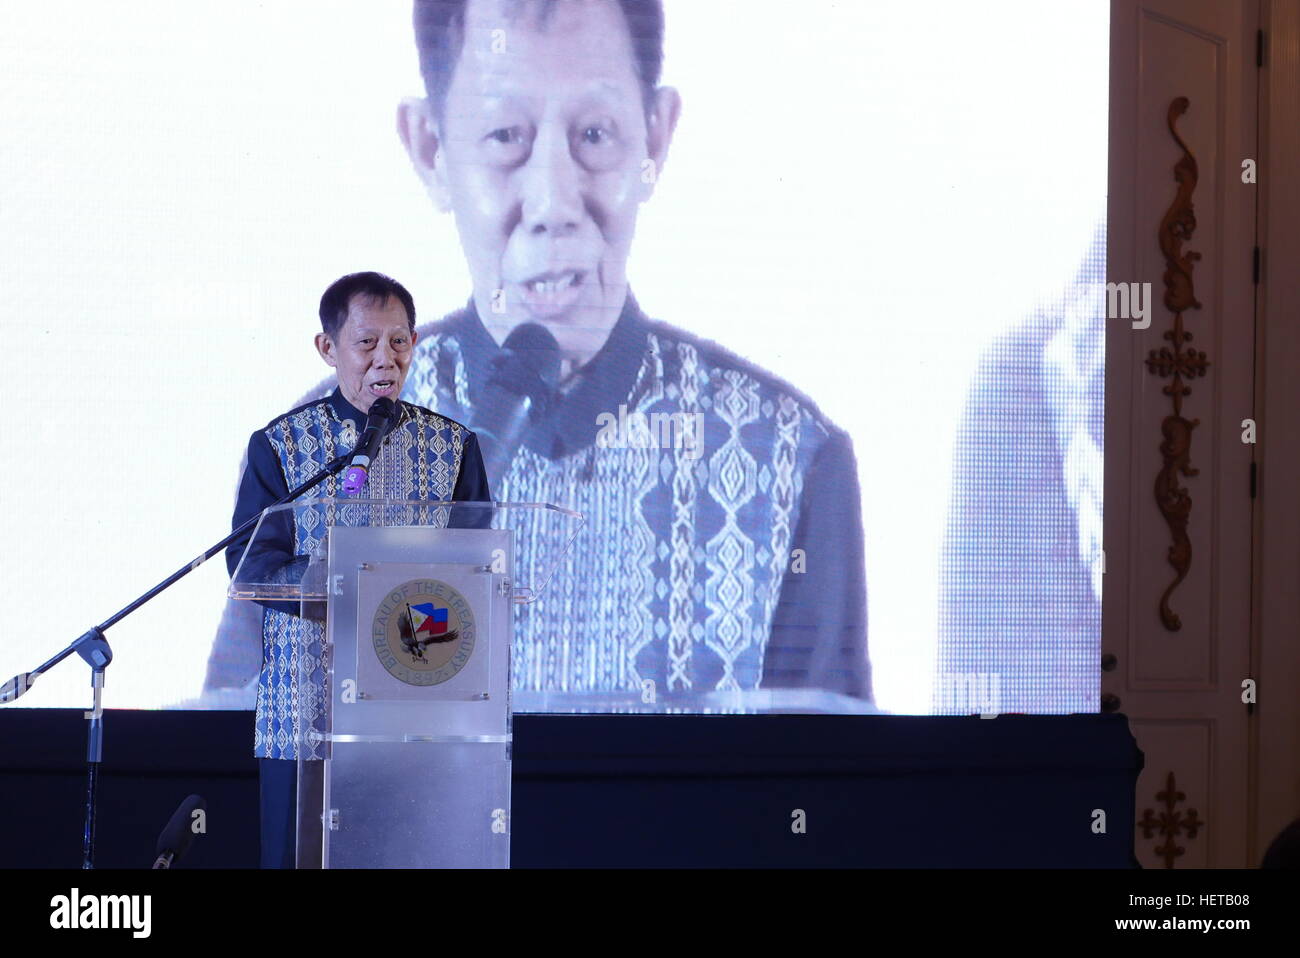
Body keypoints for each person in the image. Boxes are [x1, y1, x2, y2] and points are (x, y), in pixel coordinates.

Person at [206, 0, 871, 708]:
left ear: (655, 136)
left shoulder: (790, 454)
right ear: (430, 148)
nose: (553, 200)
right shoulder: (320, 442)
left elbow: (824, 784)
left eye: (593, 133)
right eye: (504, 136)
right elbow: (239, 742)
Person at [227, 271, 491, 867]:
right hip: (303, 709)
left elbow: (481, 569)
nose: (385, 360)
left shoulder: (453, 445)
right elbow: (250, 565)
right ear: (328, 348)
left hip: (417, 707)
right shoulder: (282, 445)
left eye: (400, 343)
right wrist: (340, 582)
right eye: (367, 343)